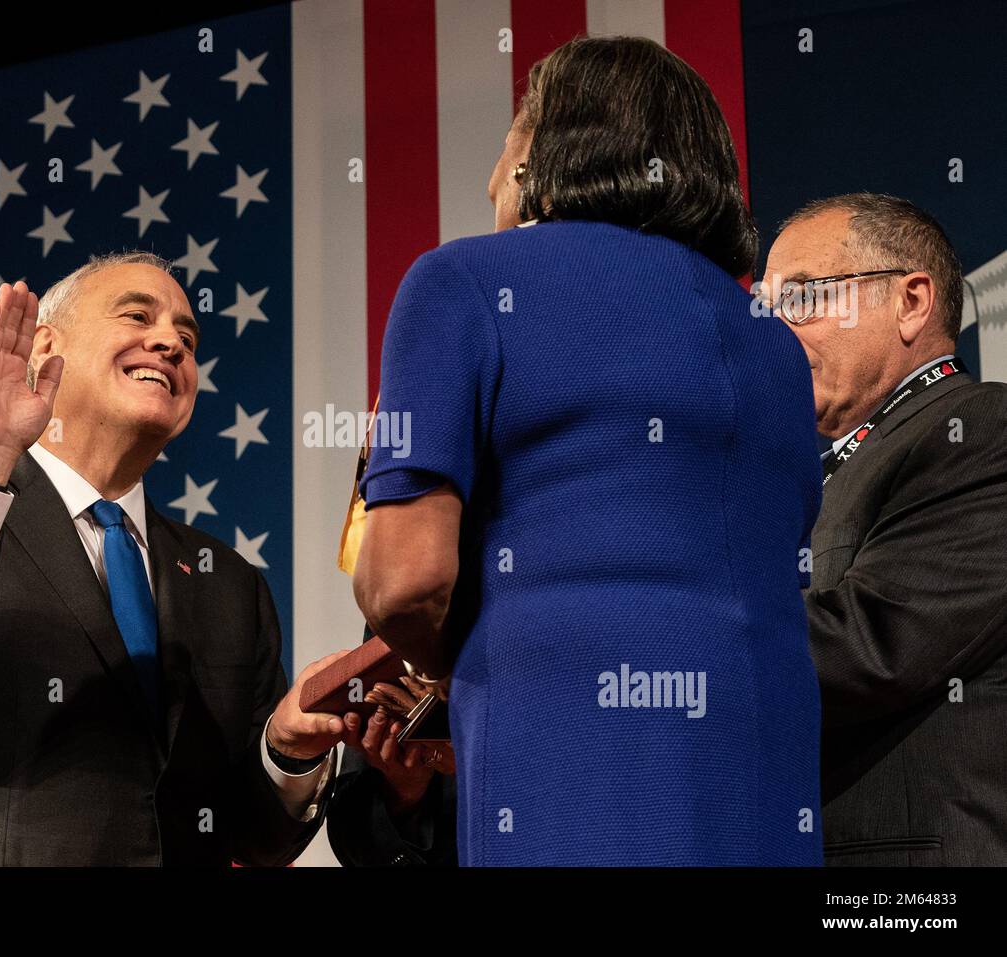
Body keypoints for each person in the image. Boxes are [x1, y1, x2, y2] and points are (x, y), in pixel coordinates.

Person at [352, 35, 824, 866]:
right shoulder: (779, 350)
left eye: (505, 143)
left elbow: (403, 581)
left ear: (539, 156)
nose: (489, 176)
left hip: (570, 762)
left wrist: (445, 684)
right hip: (761, 770)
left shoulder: (457, 283)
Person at [0, 254, 347, 866]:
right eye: (138, 315)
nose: (170, 344)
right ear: (46, 346)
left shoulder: (228, 582)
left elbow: (256, 839)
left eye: (187, 338)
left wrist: (286, 749)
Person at [764, 193, 1007, 866]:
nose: (778, 330)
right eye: (770, 306)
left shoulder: (980, 432)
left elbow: (874, 644)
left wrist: (668, 640)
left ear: (912, 300)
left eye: (806, 298)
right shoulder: (827, 470)